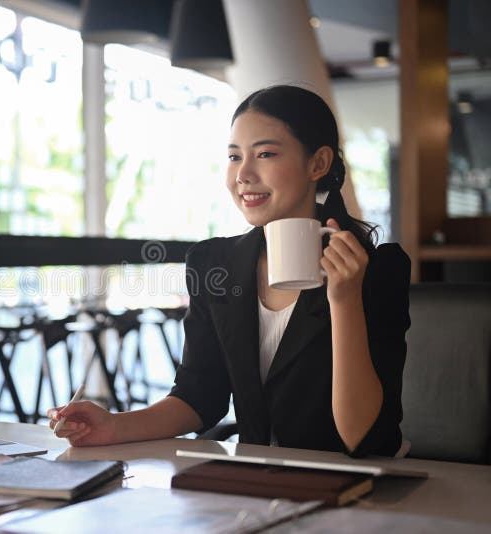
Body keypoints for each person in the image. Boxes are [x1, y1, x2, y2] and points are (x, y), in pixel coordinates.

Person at [48, 85, 410, 457]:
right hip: (253, 484)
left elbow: (362, 438)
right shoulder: (214, 263)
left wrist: (344, 300)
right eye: (235, 157)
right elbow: (198, 397)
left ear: (318, 163)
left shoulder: (377, 270)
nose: (243, 174)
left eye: (265, 153)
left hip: (353, 488)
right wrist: (112, 425)